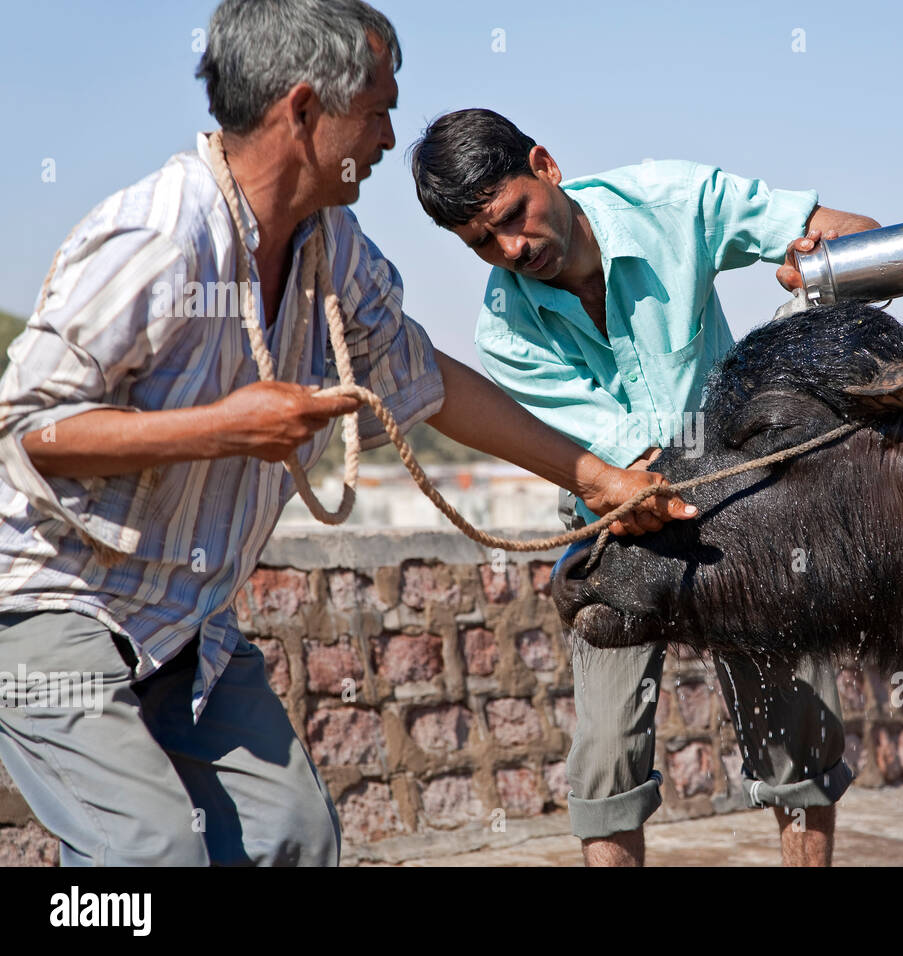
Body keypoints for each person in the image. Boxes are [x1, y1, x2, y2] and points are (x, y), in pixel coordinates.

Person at [0, 0, 690, 867]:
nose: (390, 136)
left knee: (295, 836)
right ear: (302, 111)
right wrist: (219, 430)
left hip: (188, 621)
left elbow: (422, 380)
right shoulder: (157, 235)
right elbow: (27, 429)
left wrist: (594, 477)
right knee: (147, 855)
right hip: (53, 602)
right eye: (377, 109)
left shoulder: (335, 246)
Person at [410, 108, 881, 866]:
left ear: (546, 165)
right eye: (480, 245)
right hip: (616, 515)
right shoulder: (505, 335)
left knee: (799, 737)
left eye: (511, 217)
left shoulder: (674, 200)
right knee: (605, 754)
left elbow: (859, 236)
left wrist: (822, 265)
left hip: (741, 498)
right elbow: (626, 471)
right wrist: (626, 492)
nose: (510, 249)